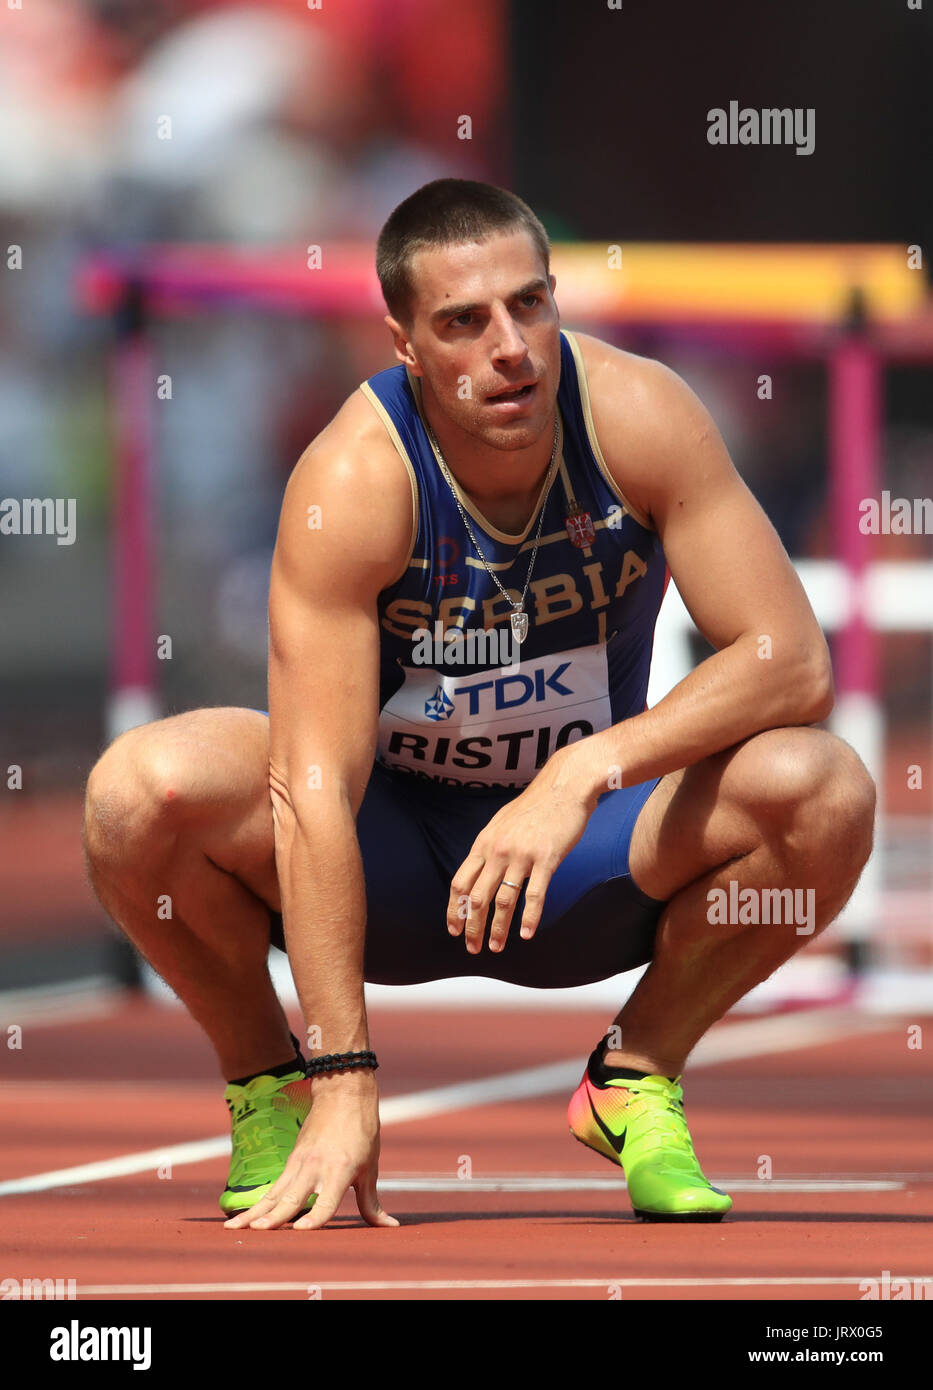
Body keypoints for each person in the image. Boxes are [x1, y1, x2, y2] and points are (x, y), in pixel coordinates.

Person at [83, 179, 875, 1231]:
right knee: (139, 791)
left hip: (588, 859)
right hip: (393, 871)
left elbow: (789, 660)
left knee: (825, 788)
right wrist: (347, 1073)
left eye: (530, 304)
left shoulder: (639, 414)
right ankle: (268, 1092)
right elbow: (314, 789)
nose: (512, 347)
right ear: (406, 344)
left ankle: (637, 1075)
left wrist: (580, 771)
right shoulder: (353, 479)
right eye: (464, 321)